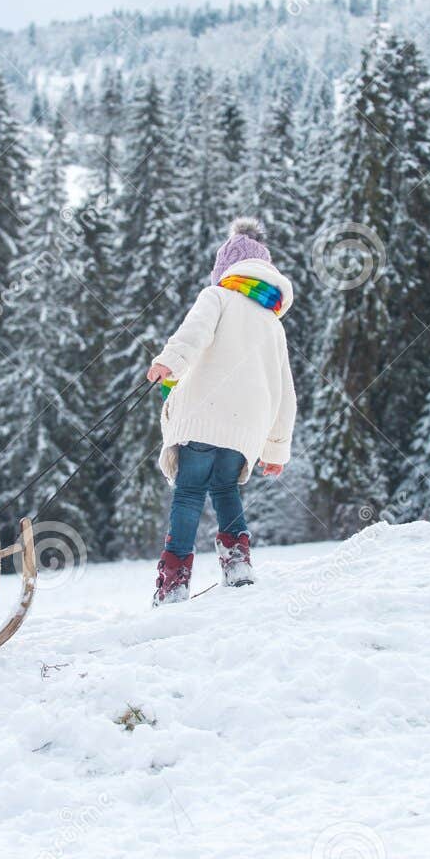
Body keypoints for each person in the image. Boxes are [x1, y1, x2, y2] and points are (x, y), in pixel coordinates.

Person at [145, 217, 297, 605]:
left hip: (202, 418)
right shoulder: (272, 323)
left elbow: (192, 334)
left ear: (225, 269)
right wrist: (276, 450)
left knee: (189, 493)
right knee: (226, 489)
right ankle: (237, 564)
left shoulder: (217, 297)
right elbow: (284, 391)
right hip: (243, 431)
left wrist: (169, 363)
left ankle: (174, 582)